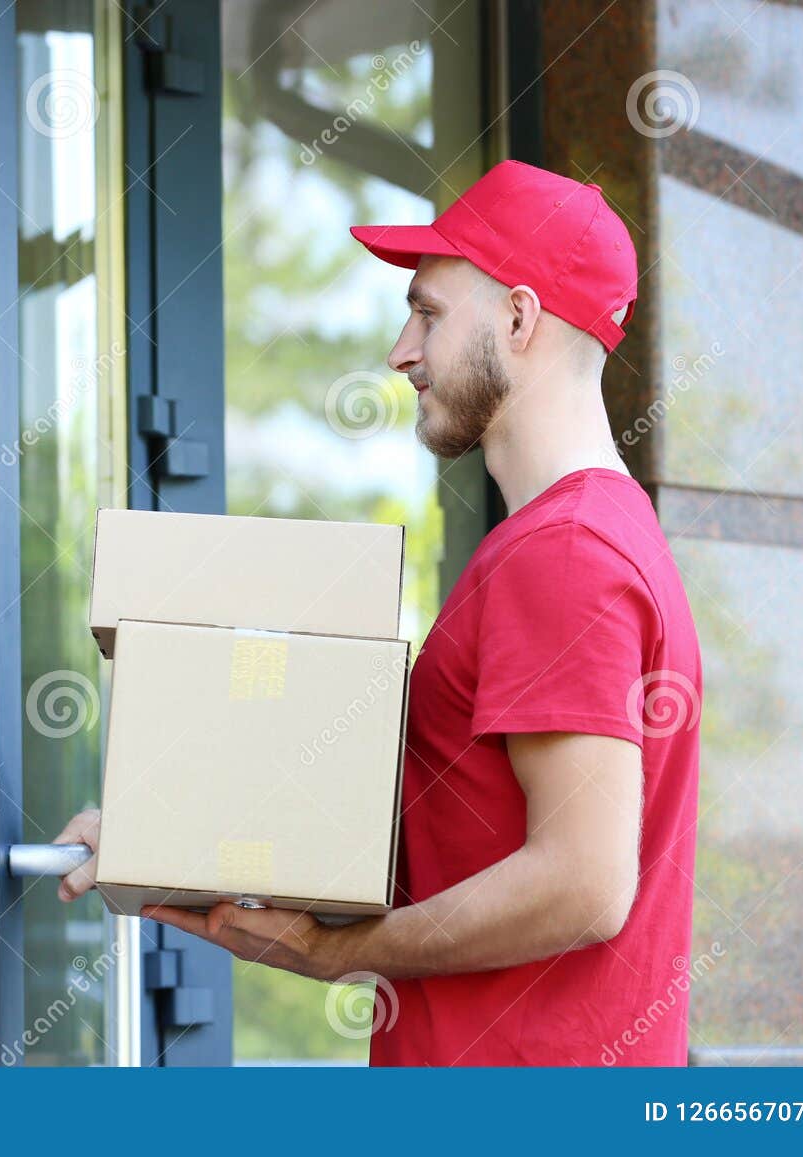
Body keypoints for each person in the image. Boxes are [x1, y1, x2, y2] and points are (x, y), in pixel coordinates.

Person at [55, 159, 704, 1066]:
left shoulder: (564, 556)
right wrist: (156, 825)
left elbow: (582, 884)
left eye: (428, 313)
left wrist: (336, 956)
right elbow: (449, 836)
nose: (402, 351)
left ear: (518, 318)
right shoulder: (597, 537)